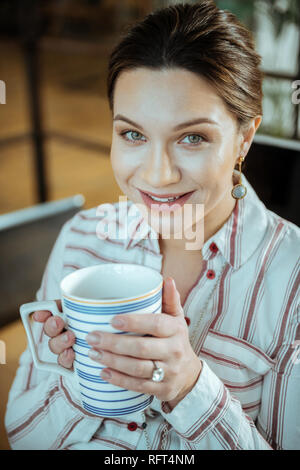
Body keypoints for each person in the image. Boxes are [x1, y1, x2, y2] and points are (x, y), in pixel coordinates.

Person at [5, 1, 300, 450]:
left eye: (192, 137)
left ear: (244, 138)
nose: (157, 175)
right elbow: (23, 430)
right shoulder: (81, 240)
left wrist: (188, 387)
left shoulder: (292, 278)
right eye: (133, 134)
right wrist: (82, 380)